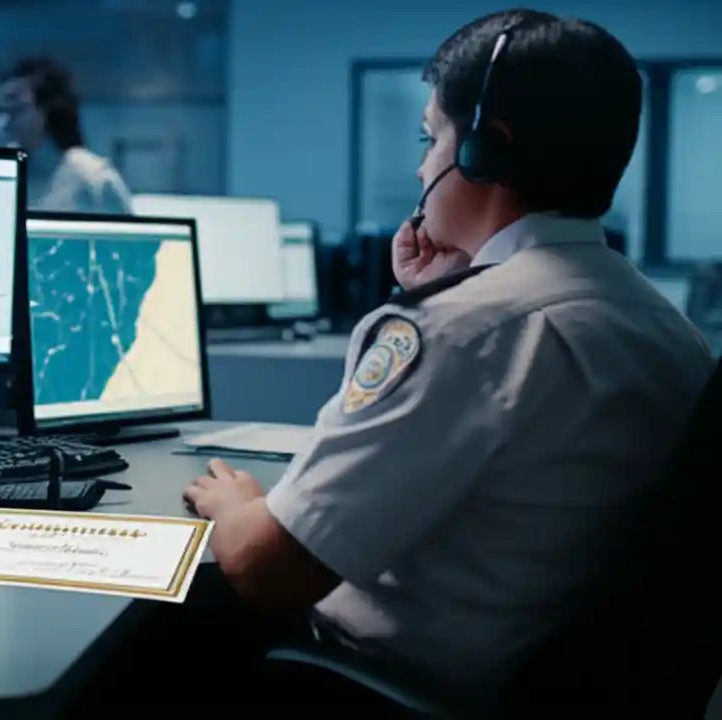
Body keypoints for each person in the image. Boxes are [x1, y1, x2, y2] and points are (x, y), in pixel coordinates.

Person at [74, 9, 717, 712]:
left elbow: (268, 570)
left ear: (483, 152)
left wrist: (239, 505)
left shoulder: (464, 333)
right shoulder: (667, 329)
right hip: (541, 681)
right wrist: (442, 295)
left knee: (126, 658)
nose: (419, 166)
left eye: (430, 136)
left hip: (381, 688)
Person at [0, 56, 133, 214]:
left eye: (16, 110)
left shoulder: (93, 178)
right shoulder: (5, 176)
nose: (4, 123)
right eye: (0, 111)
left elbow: (129, 237)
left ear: (46, 109)